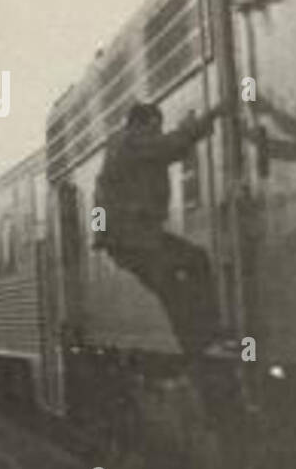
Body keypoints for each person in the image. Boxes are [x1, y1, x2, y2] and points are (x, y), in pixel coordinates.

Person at [93, 100, 226, 361]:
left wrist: (192, 132)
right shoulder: (128, 141)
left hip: (131, 239)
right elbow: (164, 147)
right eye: (156, 128)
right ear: (144, 123)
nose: (157, 133)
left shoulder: (123, 145)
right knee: (187, 269)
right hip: (131, 239)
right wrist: (211, 115)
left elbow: (169, 150)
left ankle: (201, 343)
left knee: (176, 280)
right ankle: (205, 339)